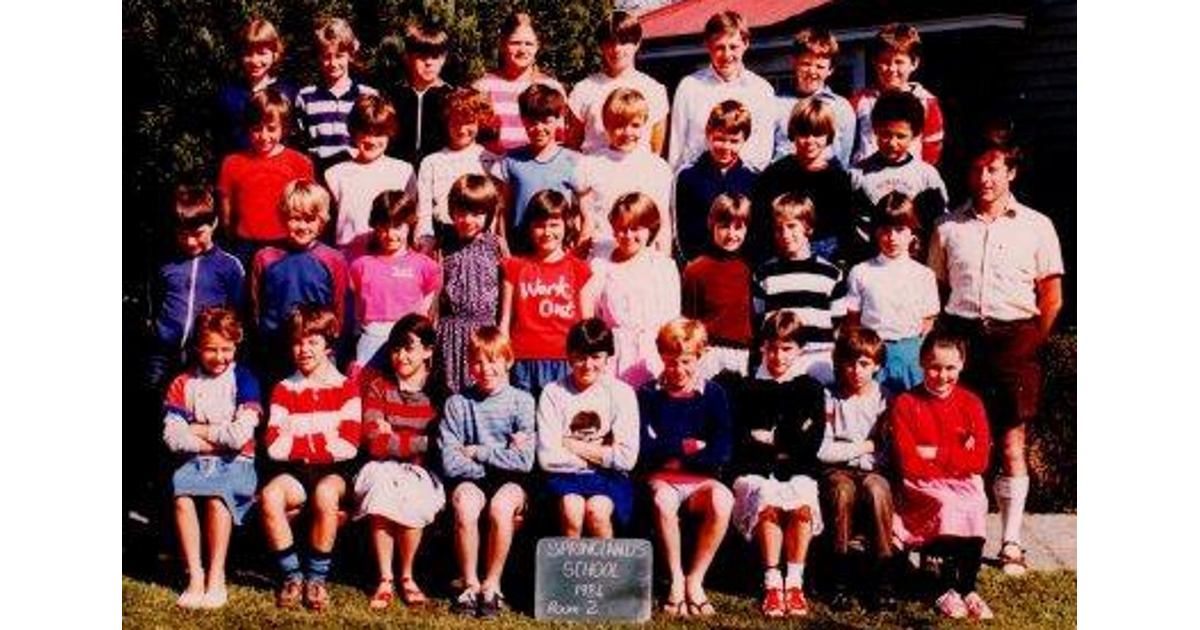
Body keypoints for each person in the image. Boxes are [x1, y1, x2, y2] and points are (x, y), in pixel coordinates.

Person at [927, 125, 1064, 577]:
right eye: (977, 169)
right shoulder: (948, 226)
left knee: (1010, 441)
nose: (985, 178)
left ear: (1011, 172)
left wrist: (1029, 341)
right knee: (958, 437)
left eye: (994, 169)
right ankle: (957, 534)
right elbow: (937, 287)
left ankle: (1009, 541)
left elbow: (1051, 298)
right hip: (963, 338)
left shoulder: (1036, 225)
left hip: (1014, 337)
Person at [260, 304, 362, 611]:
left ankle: (316, 579)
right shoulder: (284, 388)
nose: (303, 349)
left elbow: (348, 445)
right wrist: (320, 441)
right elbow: (274, 446)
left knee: (326, 492)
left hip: (335, 471)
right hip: (296, 472)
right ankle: (292, 576)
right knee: (269, 495)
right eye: (297, 342)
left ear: (329, 346)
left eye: (312, 341)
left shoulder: (346, 388)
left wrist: (301, 441)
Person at [727, 311, 826, 618]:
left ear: (799, 350)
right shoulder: (745, 389)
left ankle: (794, 583)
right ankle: (772, 582)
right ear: (762, 347)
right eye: (771, 347)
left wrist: (771, 440)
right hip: (752, 471)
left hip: (799, 470)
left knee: (801, 502)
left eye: (786, 349)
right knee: (767, 499)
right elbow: (742, 440)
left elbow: (810, 444)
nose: (778, 356)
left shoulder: (810, 389)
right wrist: (785, 441)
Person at [890, 331, 994, 620]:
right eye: (935, 366)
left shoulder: (971, 403)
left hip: (962, 479)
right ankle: (944, 589)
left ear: (962, 365)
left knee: (975, 502)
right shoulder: (907, 403)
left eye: (950, 368)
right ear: (922, 362)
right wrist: (956, 456)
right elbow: (909, 461)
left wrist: (936, 452)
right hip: (921, 483)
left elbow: (981, 460)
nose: (942, 375)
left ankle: (969, 587)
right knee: (946, 504)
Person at [162, 306, 261, 609]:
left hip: (237, 464)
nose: (219, 357)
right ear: (197, 348)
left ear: (236, 346)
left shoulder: (244, 379)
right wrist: (215, 440)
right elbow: (173, 438)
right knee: (182, 496)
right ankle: (195, 575)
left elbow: (239, 437)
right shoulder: (182, 382)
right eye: (211, 350)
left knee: (219, 499)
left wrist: (199, 429)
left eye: (226, 349)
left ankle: (216, 575)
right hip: (195, 463)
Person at [438, 326, 537, 618]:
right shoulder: (458, 403)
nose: (485, 369)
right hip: (469, 479)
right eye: (478, 362)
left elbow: (524, 462)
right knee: (467, 505)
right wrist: (503, 454)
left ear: (508, 361)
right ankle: (469, 584)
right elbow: (451, 462)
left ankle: (492, 584)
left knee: (501, 506)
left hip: (511, 482)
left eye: (493, 360)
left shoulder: (522, 401)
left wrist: (479, 451)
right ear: (469, 365)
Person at [638, 318, 733, 618]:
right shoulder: (648, 393)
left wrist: (676, 453)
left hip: (700, 481)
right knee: (662, 500)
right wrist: (687, 446)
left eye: (686, 361)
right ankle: (676, 579)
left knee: (723, 499)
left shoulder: (714, 393)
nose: (678, 370)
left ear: (700, 356)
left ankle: (696, 579)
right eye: (670, 362)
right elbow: (644, 449)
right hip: (661, 480)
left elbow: (722, 449)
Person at [354, 314, 450, 610]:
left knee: (413, 491)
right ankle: (385, 578)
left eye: (409, 348)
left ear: (428, 351)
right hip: (379, 468)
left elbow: (439, 447)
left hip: (422, 471)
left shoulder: (439, 394)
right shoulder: (378, 387)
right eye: (396, 348)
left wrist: (395, 436)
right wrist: (416, 442)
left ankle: (407, 575)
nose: (401, 356)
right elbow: (373, 441)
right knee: (384, 484)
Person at [816, 327, 896, 611]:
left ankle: (883, 575)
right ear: (839, 363)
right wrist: (863, 447)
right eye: (849, 363)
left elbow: (886, 451)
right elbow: (824, 451)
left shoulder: (885, 398)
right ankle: (839, 576)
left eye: (864, 364)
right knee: (841, 489)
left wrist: (855, 452)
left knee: (876, 489)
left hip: (874, 471)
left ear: (876, 365)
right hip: (836, 471)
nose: (856, 371)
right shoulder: (829, 397)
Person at [536, 318, 640, 537]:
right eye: (580, 357)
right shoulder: (553, 392)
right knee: (572, 508)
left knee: (597, 511)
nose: (588, 365)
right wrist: (602, 454)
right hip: (564, 477)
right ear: (569, 355)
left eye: (596, 357)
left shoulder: (622, 393)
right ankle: (569, 570)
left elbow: (627, 459)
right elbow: (547, 458)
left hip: (609, 479)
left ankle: (608, 570)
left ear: (607, 358)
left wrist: (571, 445)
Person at [249, 180, 349, 386]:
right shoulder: (265, 257)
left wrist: (334, 345)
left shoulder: (333, 259)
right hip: (274, 349)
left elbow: (340, 307)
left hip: (316, 350)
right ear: (284, 218)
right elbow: (255, 306)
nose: (302, 226)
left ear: (322, 221)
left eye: (310, 219)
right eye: (295, 219)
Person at [148, 185, 246, 393]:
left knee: (197, 405)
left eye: (198, 233)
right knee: (157, 404)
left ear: (214, 223)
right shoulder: (166, 263)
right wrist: (158, 332)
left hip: (206, 355)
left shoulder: (229, 266)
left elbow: (236, 312)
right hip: (164, 354)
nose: (191, 242)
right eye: (183, 235)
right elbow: (156, 301)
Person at [499, 189, 593, 400]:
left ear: (566, 224)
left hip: (566, 361)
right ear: (530, 227)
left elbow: (587, 324)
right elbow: (505, 321)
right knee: (526, 426)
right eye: (539, 225)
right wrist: (503, 362)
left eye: (554, 224)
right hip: (523, 360)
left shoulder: (580, 269)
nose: (547, 232)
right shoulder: (514, 267)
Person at [845, 192, 940, 395]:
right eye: (886, 230)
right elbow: (853, 320)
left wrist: (914, 351)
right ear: (876, 232)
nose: (892, 237)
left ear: (912, 232)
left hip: (911, 355)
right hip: (873, 354)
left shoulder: (924, 274)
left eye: (900, 229)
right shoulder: (861, 272)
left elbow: (928, 320)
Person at [752, 192, 847, 386]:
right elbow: (759, 318)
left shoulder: (830, 274)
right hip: (778, 362)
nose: (785, 234)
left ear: (808, 227)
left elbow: (838, 325)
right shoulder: (764, 274)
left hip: (818, 361)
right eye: (779, 229)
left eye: (792, 226)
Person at [587, 192, 680, 388]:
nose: (628, 236)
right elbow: (593, 318)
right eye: (621, 229)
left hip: (653, 356)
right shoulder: (600, 266)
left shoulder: (664, 266)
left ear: (650, 228)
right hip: (614, 357)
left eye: (636, 228)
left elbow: (672, 321)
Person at [847, 89, 948, 266]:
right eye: (885, 134)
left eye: (901, 136)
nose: (892, 143)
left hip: (914, 267)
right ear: (875, 130)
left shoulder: (926, 176)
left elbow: (940, 224)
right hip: (871, 266)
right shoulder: (858, 175)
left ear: (915, 135)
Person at [668, 10, 776, 172]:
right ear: (708, 46)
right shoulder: (689, 87)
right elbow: (676, 148)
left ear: (745, 44)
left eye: (733, 47)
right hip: (697, 184)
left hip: (743, 186)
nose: (726, 55)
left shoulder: (762, 90)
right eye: (719, 47)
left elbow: (763, 152)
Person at [217, 88, 314, 266]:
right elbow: (226, 211)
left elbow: (309, 207)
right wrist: (232, 238)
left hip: (287, 243)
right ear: (247, 128)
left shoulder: (300, 163)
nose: (264, 136)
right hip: (244, 246)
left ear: (284, 128)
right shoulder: (232, 163)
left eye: (271, 129)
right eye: (256, 129)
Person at [348, 190, 441, 372]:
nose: (390, 234)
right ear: (374, 226)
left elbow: (426, 310)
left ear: (410, 224)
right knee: (366, 392)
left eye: (397, 226)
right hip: (371, 339)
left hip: (409, 343)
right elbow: (357, 311)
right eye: (383, 226)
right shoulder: (360, 266)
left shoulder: (425, 265)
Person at [753, 98, 853, 265]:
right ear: (793, 133)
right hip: (779, 250)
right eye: (804, 134)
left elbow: (843, 229)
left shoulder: (838, 178)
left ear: (829, 136)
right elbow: (761, 221)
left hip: (824, 256)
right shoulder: (776, 173)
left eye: (818, 134)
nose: (810, 141)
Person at [576, 88, 674, 258]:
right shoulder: (589, 165)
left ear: (645, 123)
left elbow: (663, 224)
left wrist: (664, 263)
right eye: (619, 125)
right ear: (606, 125)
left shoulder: (657, 168)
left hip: (644, 259)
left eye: (635, 125)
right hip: (602, 257)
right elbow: (585, 223)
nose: (628, 132)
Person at [435, 174, 506, 393]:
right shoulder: (443, 246)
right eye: (462, 212)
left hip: (486, 332)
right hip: (452, 332)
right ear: (452, 212)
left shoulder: (496, 245)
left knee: (485, 390)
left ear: (489, 214)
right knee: (451, 390)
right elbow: (436, 294)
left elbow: (506, 290)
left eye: (476, 214)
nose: (467, 220)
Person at [566, 10, 669, 156]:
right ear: (601, 46)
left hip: (639, 175)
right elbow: (572, 148)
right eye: (610, 42)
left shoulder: (654, 90)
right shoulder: (583, 89)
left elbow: (655, 150)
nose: (616, 49)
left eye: (624, 41)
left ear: (637, 43)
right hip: (593, 175)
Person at [324, 94, 416, 251]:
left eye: (379, 133)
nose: (371, 140)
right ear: (354, 132)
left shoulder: (404, 171)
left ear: (390, 133)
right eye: (365, 132)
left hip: (391, 260)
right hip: (349, 259)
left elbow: (412, 221)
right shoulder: (334, 174)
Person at [414, 88, 506, 246]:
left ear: (479, 121)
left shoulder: (492, 161)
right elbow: (424, 210)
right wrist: (425, 238)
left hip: (482, 241)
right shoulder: (431, 162)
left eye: (469, 122)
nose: (462, 129)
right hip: (442, 239)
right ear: (447, 122)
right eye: (455, 122)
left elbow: (497, 209)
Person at [673, 100, 759, 264]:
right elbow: (683, 231)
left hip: (740, 266)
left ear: (744, 140)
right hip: (700, 264)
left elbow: (754, 230)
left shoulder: (752, 178)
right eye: (720, 139)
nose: (726, 147)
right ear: (708, 134)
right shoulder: (688, 176)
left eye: (734, 141)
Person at [681, 193, 754, 381]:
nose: (731, 234)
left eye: (738, 228)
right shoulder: (696, 269)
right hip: (707, 353)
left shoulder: (749, 268)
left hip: (741, 354)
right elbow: (689, 319)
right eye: (724, 227)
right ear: (712, 226)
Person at [850, 23, 945, 167]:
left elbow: (932, 149)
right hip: (867, 181)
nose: (892, 69)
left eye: (899, 62)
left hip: (909, 184)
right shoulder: (859, 100)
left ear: (914, 63)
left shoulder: (927, 102)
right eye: (885, 62)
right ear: (875, 63)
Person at [473, 11, 566, 155]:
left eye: (529, 43)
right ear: (502, 44)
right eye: (515, 43)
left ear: (537, 46)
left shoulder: (552, 87)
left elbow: (560, 138)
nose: (522, 50)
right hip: (491, 170)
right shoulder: (482, 87)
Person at [295, 17, 378, 174]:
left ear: (350, 55)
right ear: (319, 57)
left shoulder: (367, 95)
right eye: (327, 56)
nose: (333, 63)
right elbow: (300, 144)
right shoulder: (306, 97)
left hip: (357, 173)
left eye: (339, 56)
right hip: (319, 175)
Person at [502, 83, 584, 244]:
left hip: (559, 250)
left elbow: (582, 213)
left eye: (546, 121)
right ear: (523, 120)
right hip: (521, 250)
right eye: (532, 121)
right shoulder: (510, 161)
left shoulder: (574, 161)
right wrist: (505, 248)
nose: (539, 128)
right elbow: (502, 212)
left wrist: (576, 249)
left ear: (559, 118)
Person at [214, 17, 297, 161]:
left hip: (279, 171)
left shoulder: (288, 92)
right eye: (248, 53)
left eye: (262, 53)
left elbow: (295, 140)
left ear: (274, 54)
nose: (254, 60)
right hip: (240, 169)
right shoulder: (228, 95)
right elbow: (221, 142)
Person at [772, 27, 855, 169]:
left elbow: (844, 158)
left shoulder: (842, 108)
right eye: (806, 64)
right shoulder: (776, 104)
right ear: (794, 62)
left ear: (830, 70)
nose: (812, 72)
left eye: (820, 66)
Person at [386, 21, 455, 167]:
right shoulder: (392, 96)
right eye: (422, 56)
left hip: (439, 172)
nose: (429, 62)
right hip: (398, 173)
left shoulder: (452, 97)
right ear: (408, 57)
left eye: (435, 56)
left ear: (444, 59)